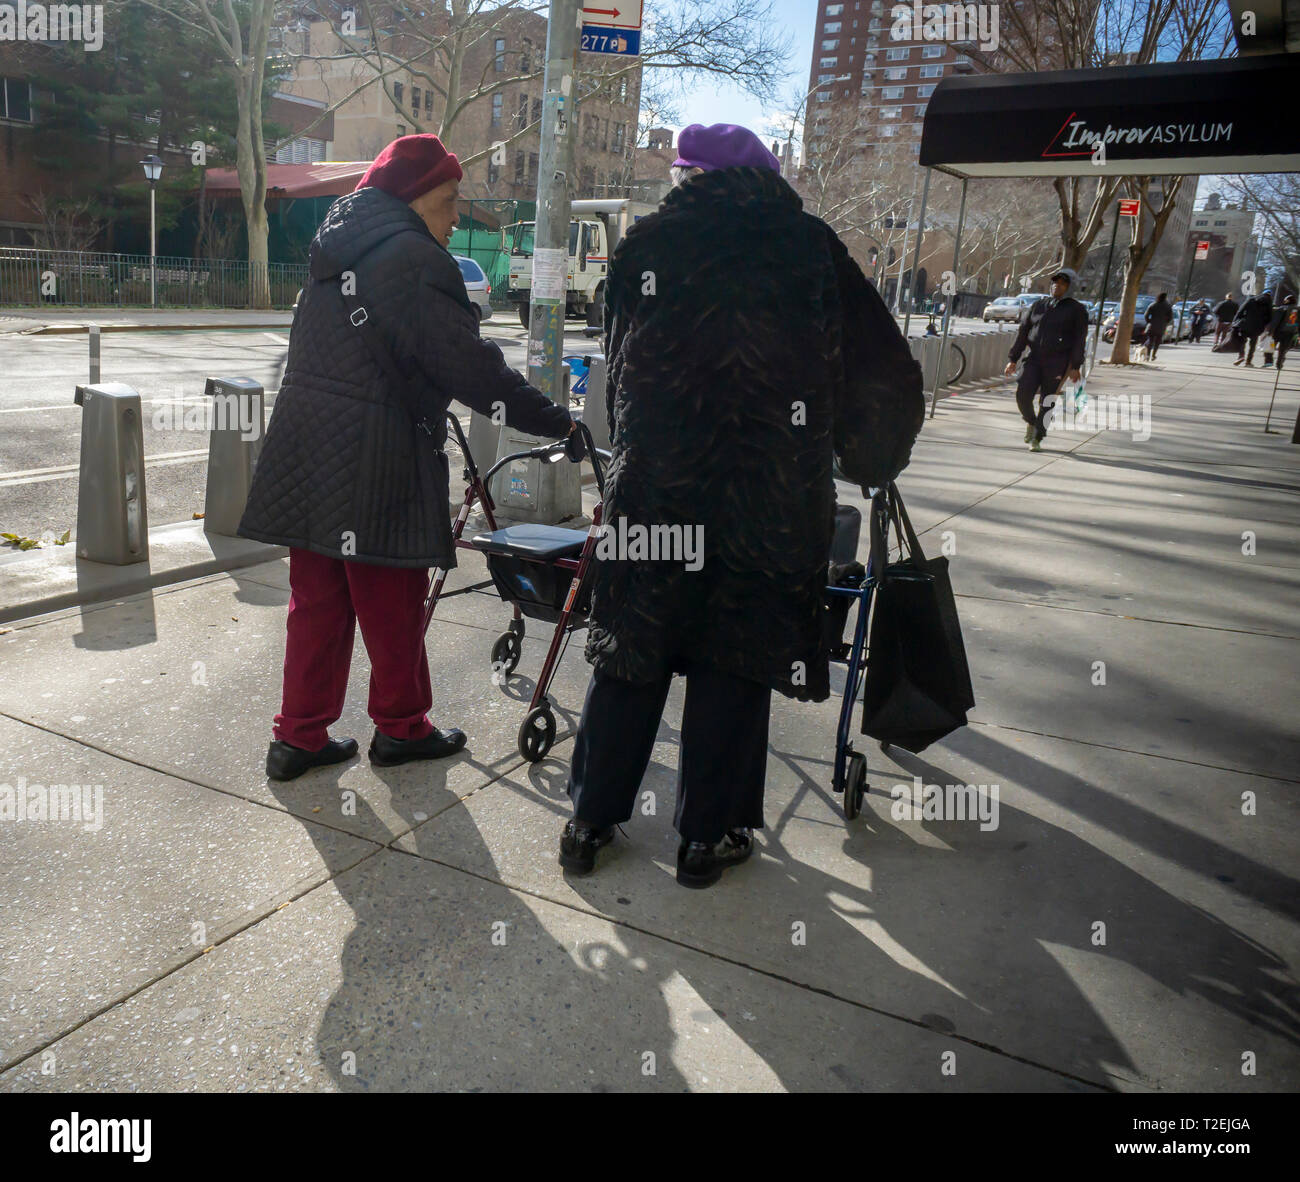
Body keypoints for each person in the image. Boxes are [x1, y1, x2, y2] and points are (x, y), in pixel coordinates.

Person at [559, 123, 924, 887]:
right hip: (768, 498)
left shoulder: (645, 245)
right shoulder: (807, 246)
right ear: (766, 174)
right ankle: (706, 838)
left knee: (633, 645)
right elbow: (883, 368)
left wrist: (638, 444)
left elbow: (618, 364)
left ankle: (591, 820)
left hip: (656, 489)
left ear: (686, 175)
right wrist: (870, 460)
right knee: (736, 654)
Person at [238, 134, 576, 781]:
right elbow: (474, 372)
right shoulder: (415, 260)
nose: (454, 218)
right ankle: (401, 728)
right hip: (377, 458)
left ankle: (298, 737)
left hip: (303, 453)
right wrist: (556, 421)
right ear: (414, 198)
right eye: (448, 201)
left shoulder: (334, 250)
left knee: (317, 601)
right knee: (391, 596)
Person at [1003, 267, 1089, 451]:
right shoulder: (1039, 306)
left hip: (1058, 362)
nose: (1057, 286)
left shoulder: (1077, 310)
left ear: (1070, 287)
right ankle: (1031, 422)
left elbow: (1079, 339)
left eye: (1063, 283)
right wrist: (1013, 358)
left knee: (1047, 400)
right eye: (1055, 282)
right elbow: (1023, 332)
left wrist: (1075, 365)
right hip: (1034, 359)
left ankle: (1038, 437)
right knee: (1022, 394)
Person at [1233, 288, 1274, 366]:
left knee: (1242, 341)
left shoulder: (1251, 300)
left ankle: (1241, 356)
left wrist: (1235, 321)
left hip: (1245, 324)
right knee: (1252, 345)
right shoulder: (1269, 304)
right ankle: (1248, 362)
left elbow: (1240, 311)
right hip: (1257, 328)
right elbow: (1270, 318)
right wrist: (1264, 326)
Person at [1268, 293, 1299, 371]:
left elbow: (1275, 321)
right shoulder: (1298, 310)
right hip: (1290, 333)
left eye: (1285, 300)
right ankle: (1279, 363)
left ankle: (1269, 360)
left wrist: (1271, 331)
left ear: (1288, 300)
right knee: (1283, 349)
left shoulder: (1282, 308)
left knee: (1271, 347)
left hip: (1278, 332)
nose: (1284, 301)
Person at [1143, 292, 1174, 359]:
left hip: (1152, 325)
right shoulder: (1168, 306)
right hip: (1161, 326)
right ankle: (1153, 355)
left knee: (1150, 340)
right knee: (1157, 341)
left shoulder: (1153, 305)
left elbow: (1146, 315)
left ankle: (1148, 354)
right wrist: (1166, 322)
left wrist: (1149, 321)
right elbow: (1171, 317)